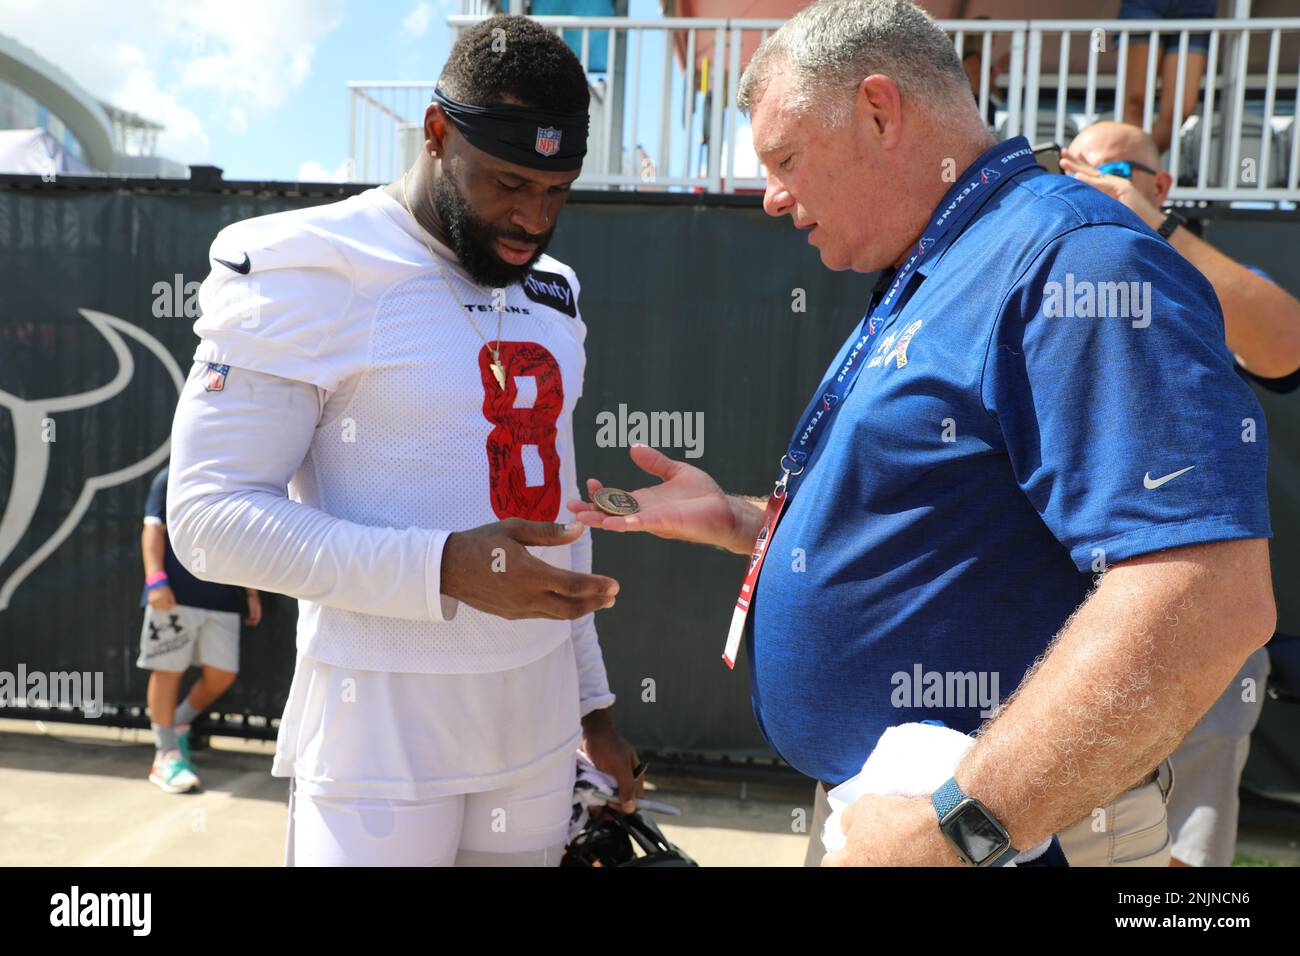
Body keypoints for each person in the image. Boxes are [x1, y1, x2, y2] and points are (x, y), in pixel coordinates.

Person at [570, 0, 1276, 867]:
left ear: (879, 110)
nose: (773, 196)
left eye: (787, 159)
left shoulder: (1073, 260)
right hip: (922, 822)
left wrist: (958, 826)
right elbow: (947, 530)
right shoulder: (947, 259)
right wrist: (742, 522)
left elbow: (1206, 598)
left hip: (994, 835)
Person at [166, 15, 638, 867]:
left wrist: (594, 707)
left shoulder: (556, 293)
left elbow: (551, 511)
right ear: (434, 133)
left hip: (535, 717)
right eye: (507, 183)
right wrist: (443, 568)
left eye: (556, 190)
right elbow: (205, 520)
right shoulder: (308, 262)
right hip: (378, 725)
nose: (533, 219)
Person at [1063, 119, 1300, 866]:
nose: (1088, 178)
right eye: (1075, 164)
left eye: (1110, 167)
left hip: (1202, 614)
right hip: (1078, 618)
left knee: (1188, 866)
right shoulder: (1060, 265)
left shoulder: (1199, 269)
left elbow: (1285, 343)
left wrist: (1151, 224)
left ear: (1160, 183)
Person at [138, 464, 261, 793]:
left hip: (224, 597)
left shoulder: (240, 480)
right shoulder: (171, 476)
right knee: (167, 670)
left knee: (222, 674)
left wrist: (249, 591)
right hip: (174, 596)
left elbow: (243, 542)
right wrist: (155, 580)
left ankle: (176, 724)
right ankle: (165, 754)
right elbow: (153, 529)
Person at [1118, 0, 1218, 155]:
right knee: (1136, 101)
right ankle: (1139, 167)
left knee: (1180, 110)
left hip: (1197, 7)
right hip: (1144, 5)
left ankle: (1140, 165)